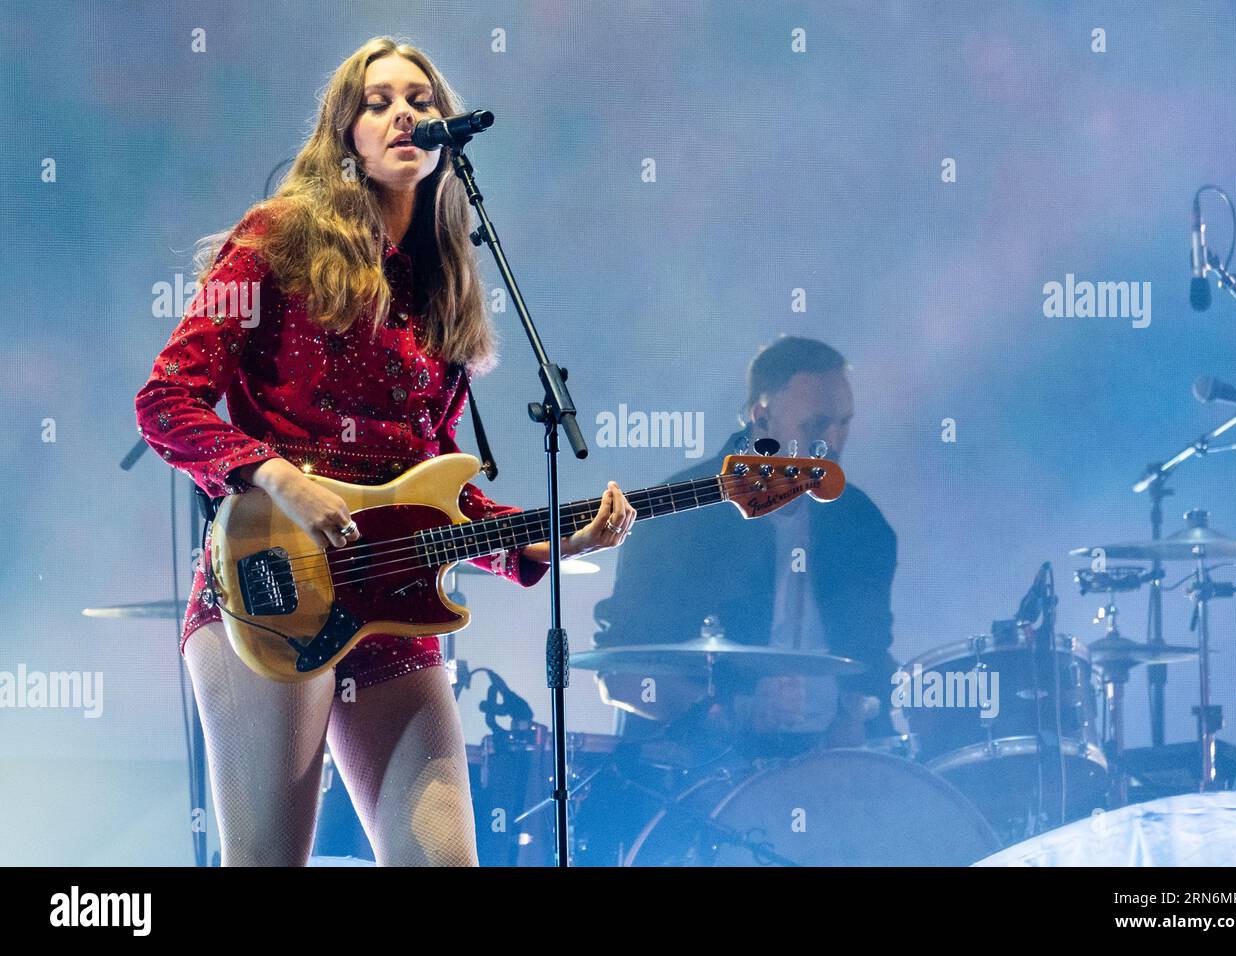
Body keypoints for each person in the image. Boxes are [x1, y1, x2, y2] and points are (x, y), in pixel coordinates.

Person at [135, 36, 635, 866]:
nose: (405, 112)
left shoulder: (443, 281)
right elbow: (164, 400)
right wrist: (282, 478)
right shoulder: (275, 240)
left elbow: (447, 493)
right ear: (347, 135)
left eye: (421, 99)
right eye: (379, 101)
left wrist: (554, 538)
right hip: (270, 582)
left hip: (393, 603)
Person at [592, 337, 897, 752]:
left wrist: (858, 712)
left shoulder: (862, 525)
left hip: (831, 760)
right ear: (761, 416)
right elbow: (621, 674)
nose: (834, 441)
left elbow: (872, 656)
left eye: (844, 423)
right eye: (816, 425)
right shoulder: (678, 516)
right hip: (703, 767)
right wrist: (728, 712)